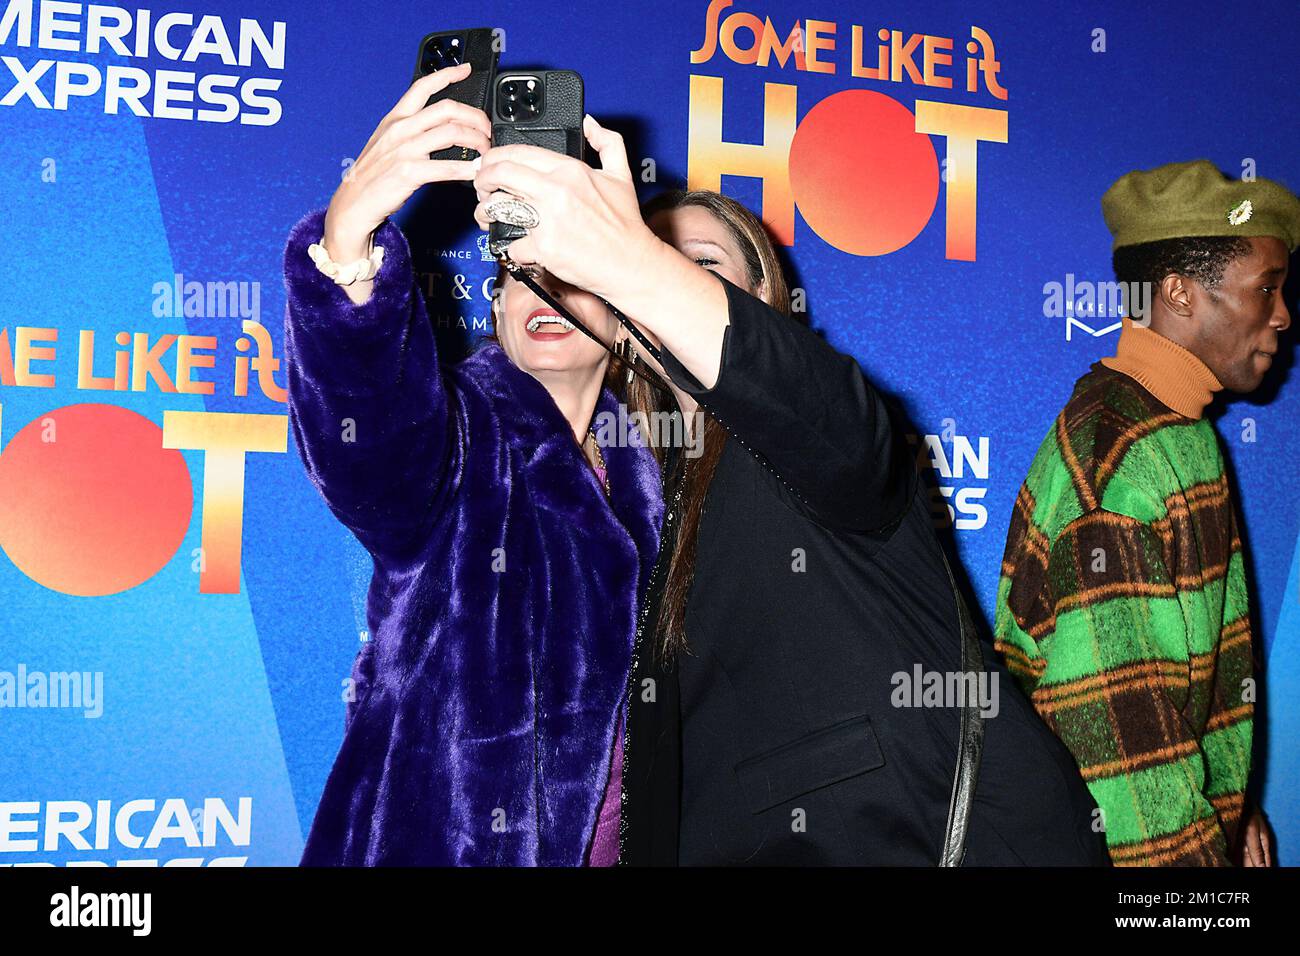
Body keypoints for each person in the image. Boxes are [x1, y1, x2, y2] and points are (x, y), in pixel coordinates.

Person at [472, 124, 1107, 865]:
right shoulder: (638, 493)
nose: (670, 276)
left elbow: (797, 395)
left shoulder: (809, 414)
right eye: (657, 260)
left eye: (702, 265)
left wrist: (625, 253)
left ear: (764, 298)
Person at [283, 62, 663, 865]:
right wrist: (347, 248)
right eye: (516, 273)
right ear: (493, 305)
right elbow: (370, 454)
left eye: (567, 270)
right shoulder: (459, 437)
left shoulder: (664, 482)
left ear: (627, 307)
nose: (541, 292)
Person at [994, 159, 1298, 866]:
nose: (1283, 315)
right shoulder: (1122, 462)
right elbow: (1126, 756)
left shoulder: (1174, 430)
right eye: (1267, 290)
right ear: (1181, 294)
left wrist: (1228, 809)